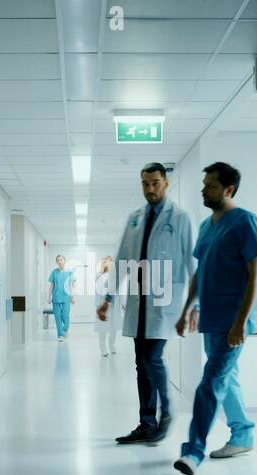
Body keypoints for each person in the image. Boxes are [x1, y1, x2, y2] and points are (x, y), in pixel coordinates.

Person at [173, 162, 257, 475]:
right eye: (204, 185)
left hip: (233, 319)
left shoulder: (245, 222)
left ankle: (193, 452)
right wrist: (187, 309)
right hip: (211, 317)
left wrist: (241, 322)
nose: (203, 190)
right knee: (228, 378)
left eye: (210, 186)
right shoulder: (207, 226)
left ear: (229, 189)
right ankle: (243, 435)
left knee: (210, 382)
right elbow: (201, 272)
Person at [98, 162, 196, 444]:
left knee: (152, 358)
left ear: (166, 183)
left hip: (166, 303)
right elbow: (121, 261)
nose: (150, 189)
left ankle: (166, 413)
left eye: (155, 183)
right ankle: (146, 423)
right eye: (145, 183)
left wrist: (194, 306)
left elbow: (192, 262)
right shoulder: (134, 218)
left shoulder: (180, 218)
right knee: (141, 364)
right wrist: (108, 298)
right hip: (139, 302)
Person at [94, 256, 120, 357]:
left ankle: (112, 346)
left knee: (113, 327)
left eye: (110, 261)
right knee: (102, 327)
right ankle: (103, 348)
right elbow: (98, 292)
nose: (109, 263)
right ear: (103, 264)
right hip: (103, 305)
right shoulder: (99, 275)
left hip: (114, 305)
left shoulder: (116, 276)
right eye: (106, 261)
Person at [47, 254, 75, 342]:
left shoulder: (69, 272)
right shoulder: (54, 272)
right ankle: (60, 334)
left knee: (65, 315)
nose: (60, 261)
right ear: (56, 262)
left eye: (61, 260)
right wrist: (49, 297)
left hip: (66, 297)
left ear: (64, 261)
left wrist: (72, 297)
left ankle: (65, 328)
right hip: (55, 297)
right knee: (57, 316)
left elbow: (71, 286)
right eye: (58, 260)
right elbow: (52, 285)